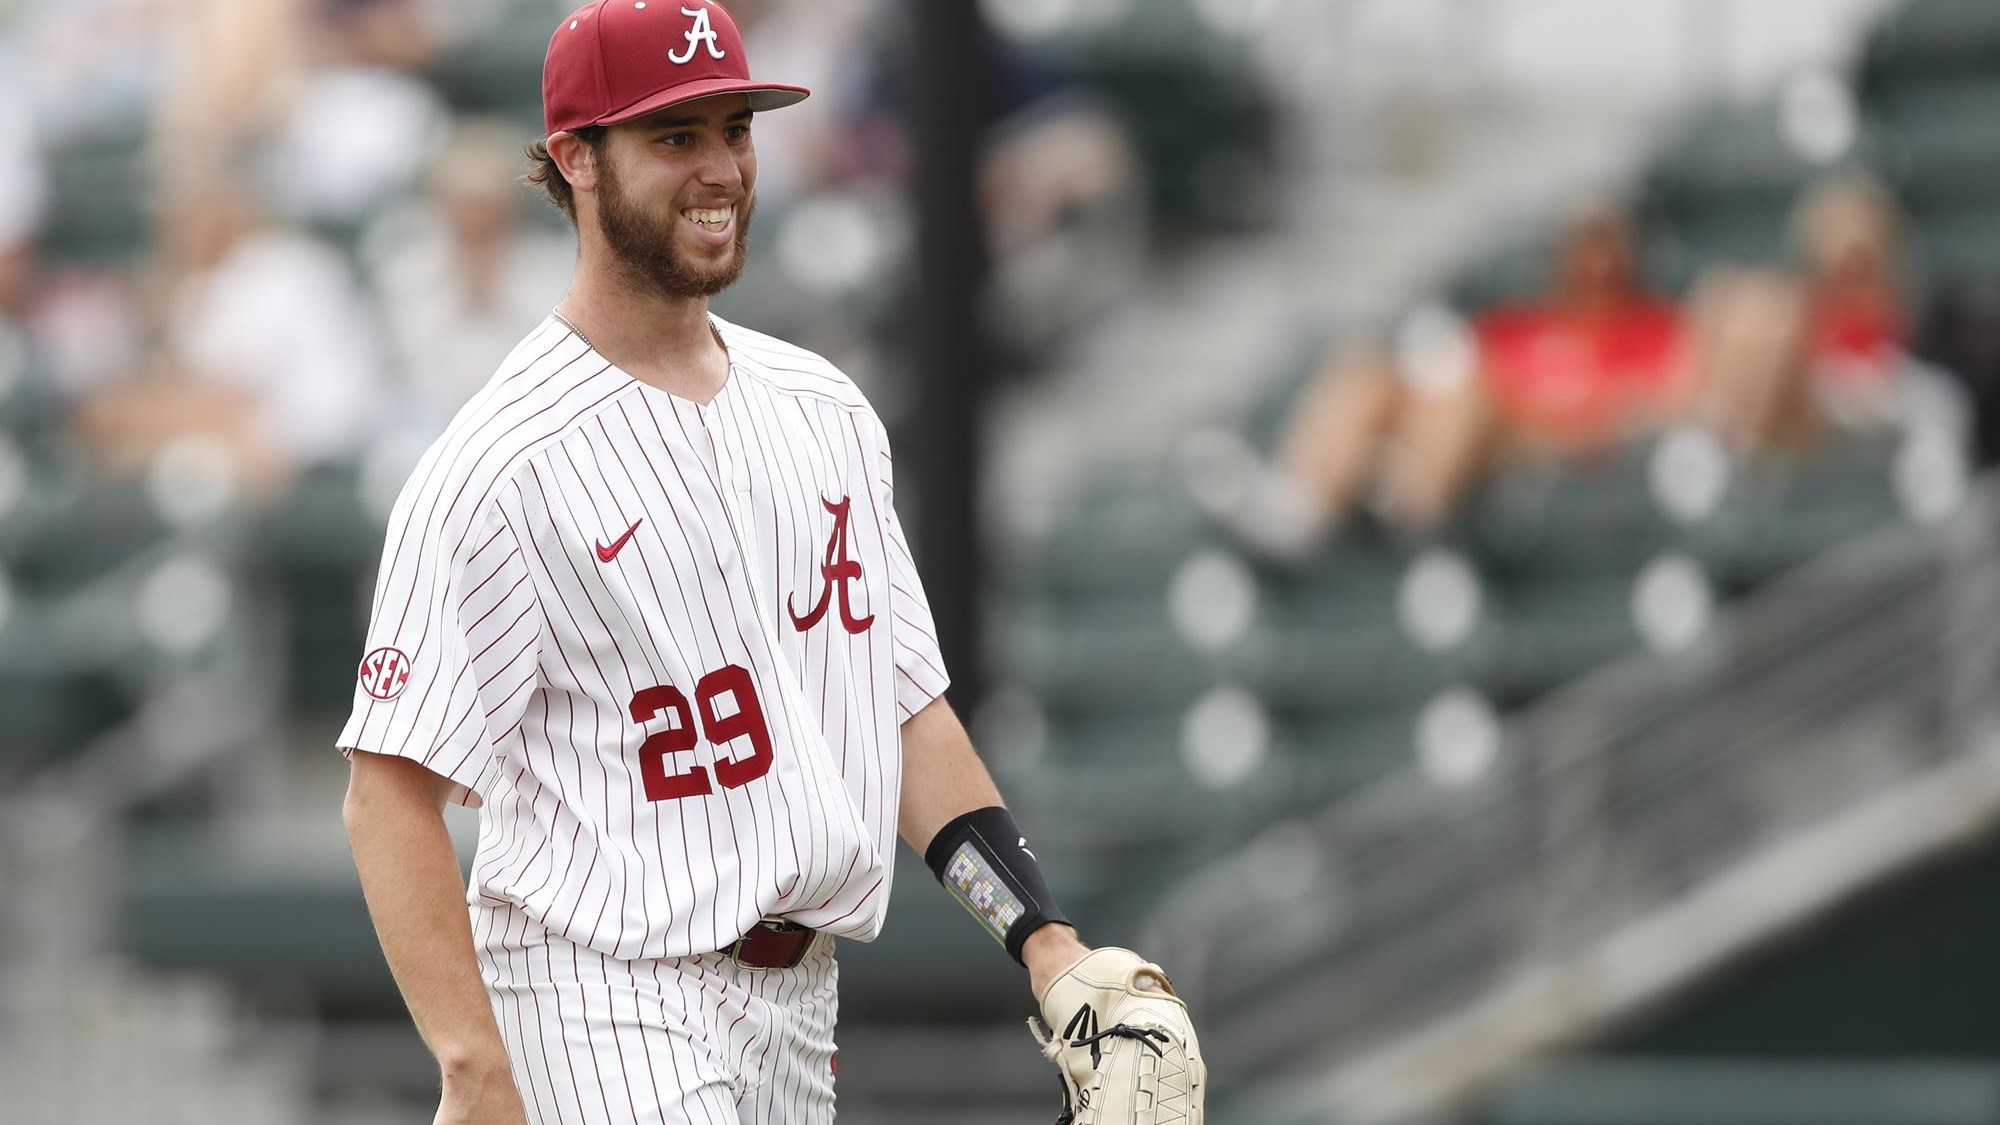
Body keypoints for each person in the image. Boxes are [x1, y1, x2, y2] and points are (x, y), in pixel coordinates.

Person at [337, 4, 1201, 1124]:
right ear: (573, 159)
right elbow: (386, 794)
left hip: (797, 1006)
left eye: (734, 128)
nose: (720, 169)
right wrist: (474, 1067)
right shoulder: (500, 464)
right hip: (600, 994)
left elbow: (900, 710)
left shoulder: (821, 407)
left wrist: (1044, 943)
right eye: (674, 137)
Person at [1192, 200, 1687, 558]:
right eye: (1583, 248)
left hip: (1538, 450)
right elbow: (1447, 366)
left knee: (1476, 395)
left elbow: (1651, 407)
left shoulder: (1654, 331)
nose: (1594, 264)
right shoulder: (1517, 326)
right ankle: (1298, 505)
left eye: (1606, 247)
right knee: (1365, 367)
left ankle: (1407, 499)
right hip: (1459, 426)